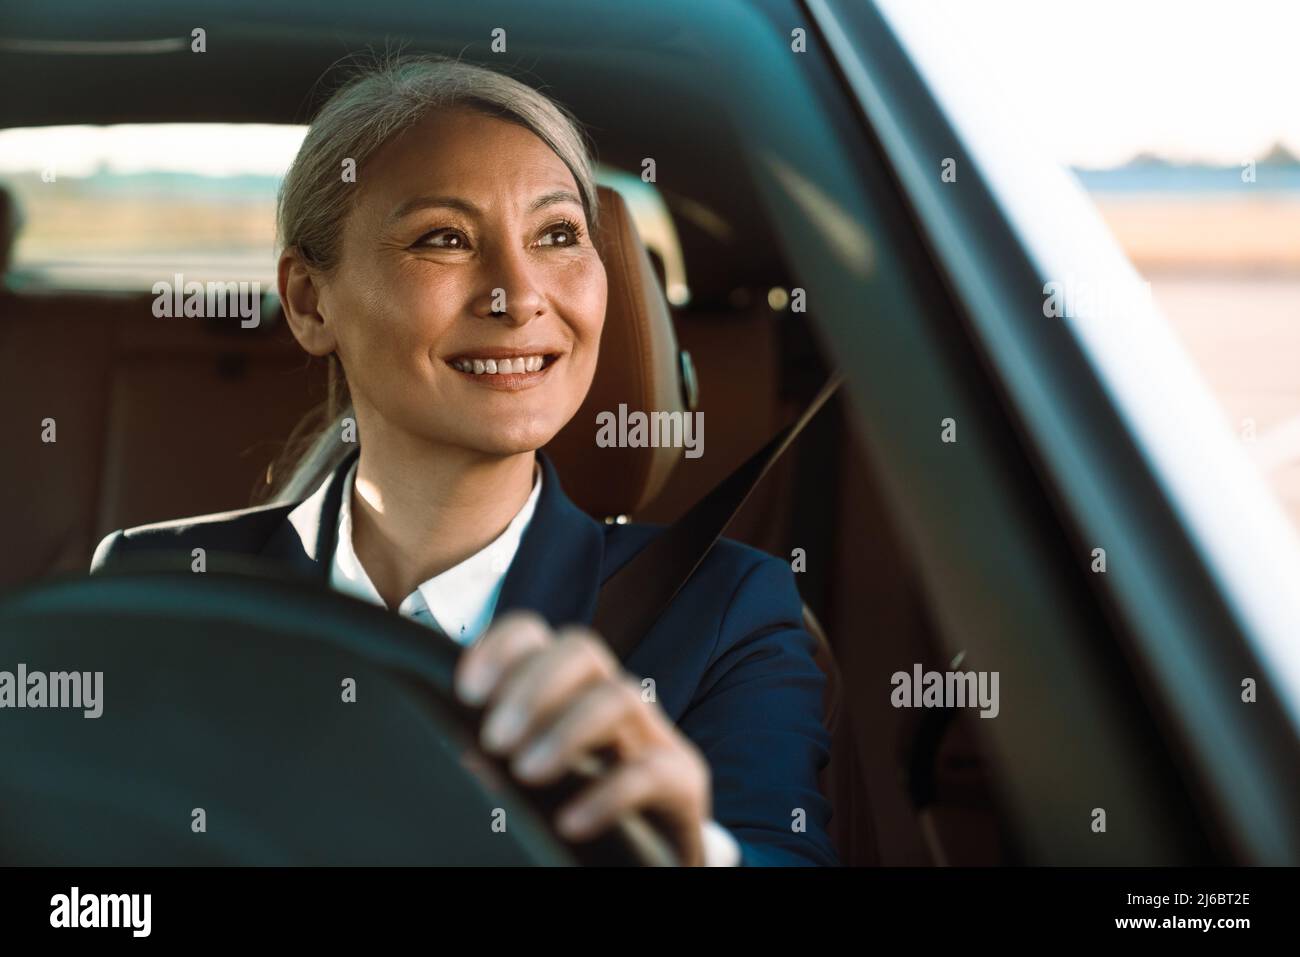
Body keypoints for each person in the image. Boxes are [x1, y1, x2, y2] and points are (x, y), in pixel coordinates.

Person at [91, 55, 838, 867]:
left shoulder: (724, 609)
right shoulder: (158, 587)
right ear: (310, 302)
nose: (517, 295)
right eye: (444, 239)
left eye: (557, 235)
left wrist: (694, 855)